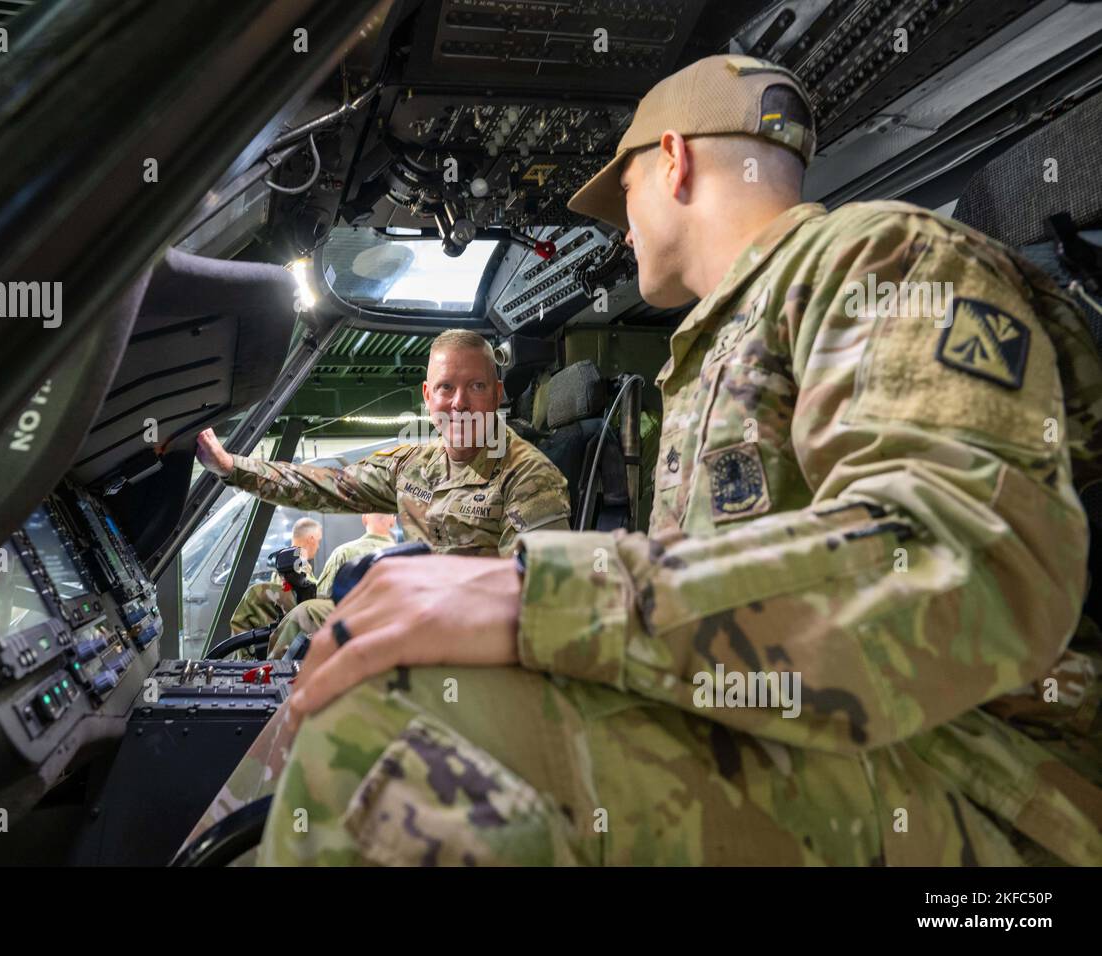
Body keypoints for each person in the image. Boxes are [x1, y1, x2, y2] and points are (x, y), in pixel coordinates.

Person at [188, 54, 1102, 866]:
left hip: (984, 783)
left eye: (620, 195)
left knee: (398, 720)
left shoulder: (888, 262)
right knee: (359, 673)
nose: (618, 228)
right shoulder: (713, 349)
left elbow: (959, 566)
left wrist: (532, 595)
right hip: (828, 742)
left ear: (673, 160)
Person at [194, 329, 571, 557]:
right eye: (446, 388)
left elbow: (531, 600)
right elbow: (322, 485)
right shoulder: (411, 467)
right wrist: (230, 467)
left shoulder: (530, 477)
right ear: (427, 396)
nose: (459, 403)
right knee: (304, 618)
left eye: (476, 386)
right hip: (417, 621)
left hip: (475, 647)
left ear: (496, 394)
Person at [266, 513, 398, 660]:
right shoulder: (408, 557)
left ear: (364, 518)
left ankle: (270, 670)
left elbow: (319, 597)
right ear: (393, 520)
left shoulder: (344, 552)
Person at [226, 516, 321, 635]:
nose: (318, 546)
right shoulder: (297, 565)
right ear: (311, 539)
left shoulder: (281, 561)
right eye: (318, 541)